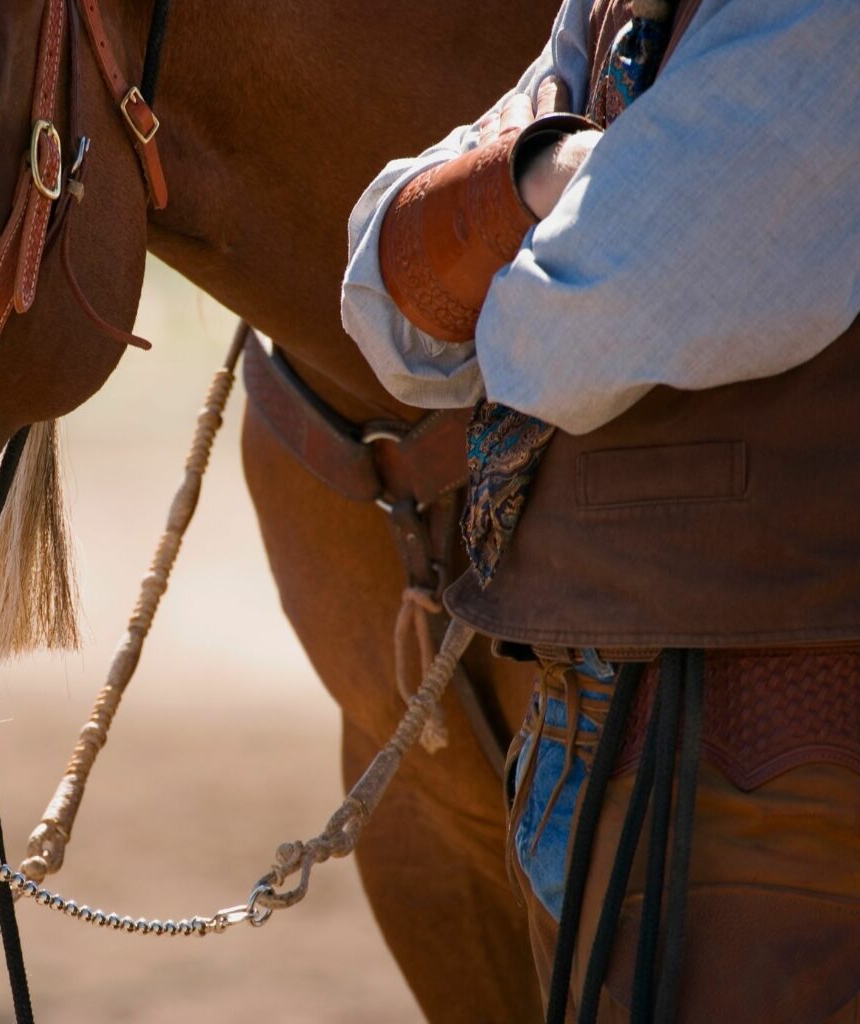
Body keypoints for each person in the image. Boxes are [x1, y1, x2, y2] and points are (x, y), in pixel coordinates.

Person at [339, 0, 859, 1019]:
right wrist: (554, 168)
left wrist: (514, 199)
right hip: (600, 739)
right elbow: (389, 304)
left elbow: (569, 337)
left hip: (767, 760)